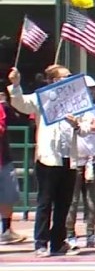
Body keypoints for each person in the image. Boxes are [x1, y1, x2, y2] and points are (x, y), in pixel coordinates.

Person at [7, 65, 77, 256]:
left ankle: (58, 242)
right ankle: (41, 242)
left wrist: (78, 124)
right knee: (45, 202)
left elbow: (87, 125)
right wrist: (15, 85)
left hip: (69, 157)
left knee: (64, 203)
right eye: (65, 77)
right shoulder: (43, 98)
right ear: (55, 80)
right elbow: (21, 103)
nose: (69, 79)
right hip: (48, 157)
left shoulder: (75, 101)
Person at [66, 76, 95, 250]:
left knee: (93, 201)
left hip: (92, 161)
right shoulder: (70, 112)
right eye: (88, 89)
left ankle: (91, 234)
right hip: (75, 162)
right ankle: (70, 235)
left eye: (93, 89)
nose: (91, 92)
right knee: (72, 201)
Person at [0, 89, 26, 245]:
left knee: (8, 195)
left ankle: (6, 230)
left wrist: (5, 105)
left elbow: (6, 125)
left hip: (3, 158)